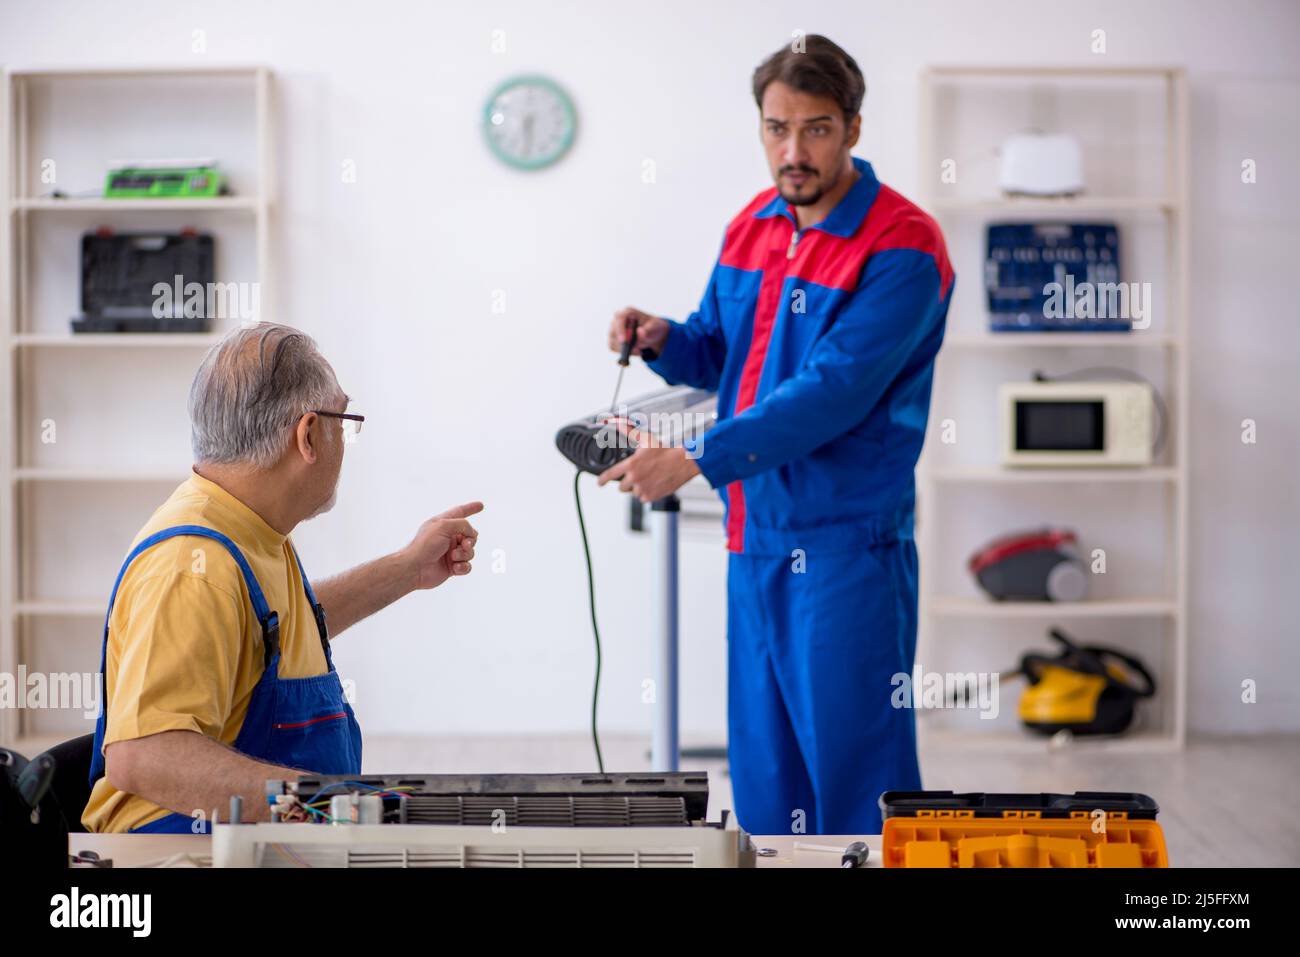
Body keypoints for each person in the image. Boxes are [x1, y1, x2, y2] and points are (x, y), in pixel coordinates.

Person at [598, 36, 953, 834]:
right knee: (766, 774)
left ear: (854, 129)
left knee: (859, 769)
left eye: (816, 129)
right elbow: (724, 348)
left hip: (846, 548)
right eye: (776, 128)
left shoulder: (903, 246)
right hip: (753, 536)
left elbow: (831, 392)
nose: (793, 152)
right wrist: (661, 337)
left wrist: (694, 457)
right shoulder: (753, 225)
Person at [83, 322, 482, 832]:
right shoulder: (191, 565)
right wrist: (321, 809)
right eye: (345, 420)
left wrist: (408, 568)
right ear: (309, 434)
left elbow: (270, 635)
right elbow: (144, 757)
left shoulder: (248, 527)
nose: (345, 439)